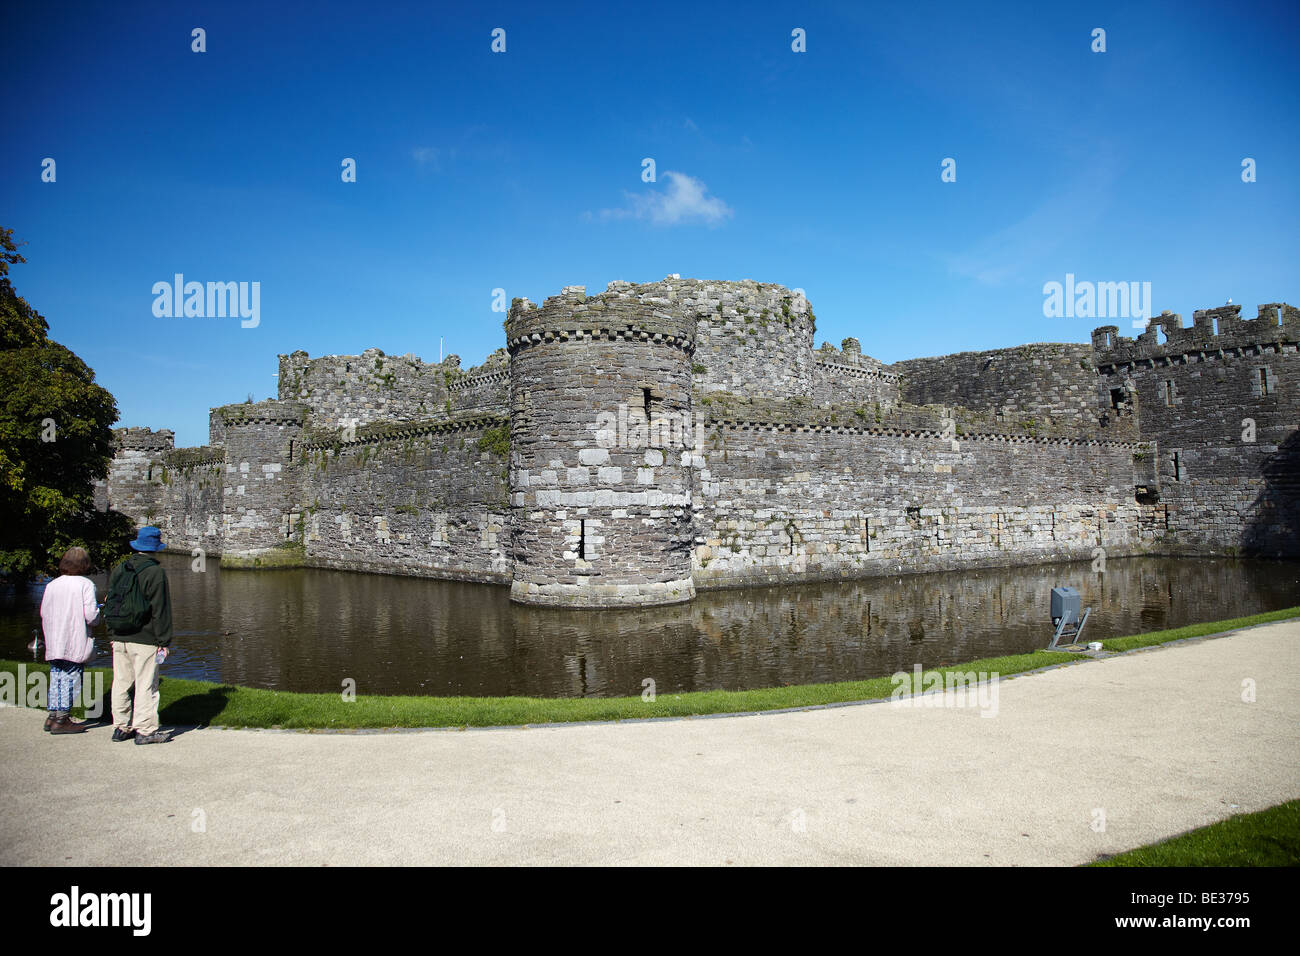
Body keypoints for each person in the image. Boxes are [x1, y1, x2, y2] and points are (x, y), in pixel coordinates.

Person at [105, 526, 173, 745]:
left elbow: (111, 602)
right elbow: (160, 610)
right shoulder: (155, 572)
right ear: (155, 548)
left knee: (121, 682)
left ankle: (121, 727)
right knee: (146, 684)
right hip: (144, 639)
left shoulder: (120, 569)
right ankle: (145, 730)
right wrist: (164, 640)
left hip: (120, 636)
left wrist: (111, 633)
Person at [39, 547, 100, 734]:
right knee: (72, 677)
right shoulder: (85, 584)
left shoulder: (52, 584)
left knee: (56, 676)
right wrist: (98, 614)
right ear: (84, 564)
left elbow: (43, 612)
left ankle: (52, 716)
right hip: (73, 638)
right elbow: (91, 616)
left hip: (54, 638)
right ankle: (62, 719)